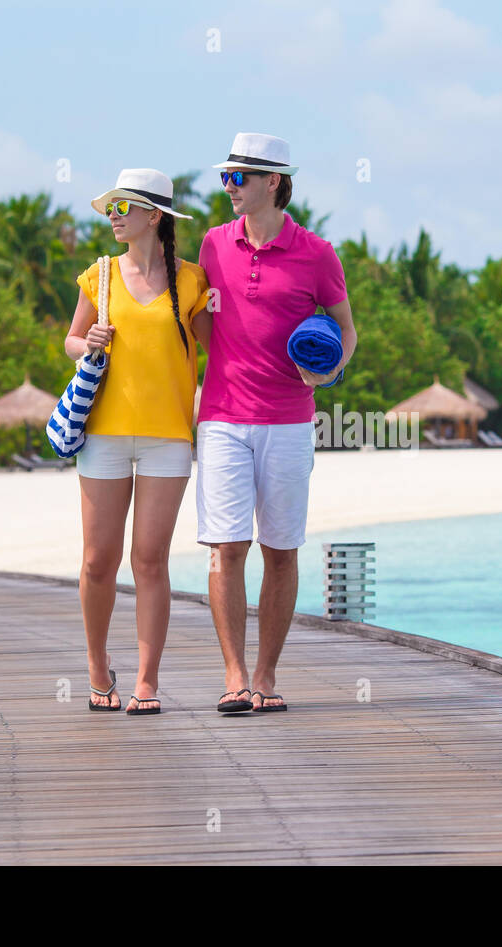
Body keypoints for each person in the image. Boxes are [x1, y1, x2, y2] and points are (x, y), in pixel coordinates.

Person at [192, 133, 357, 714]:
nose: (229, 187)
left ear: (274, 183)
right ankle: (234, 675)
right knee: (226, 548)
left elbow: (346, 327)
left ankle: (265, 676)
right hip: (221, 419)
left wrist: (328, 371)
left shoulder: (317, 253)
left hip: (288, 421)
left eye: (239, 177)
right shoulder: (212, 245)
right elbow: (199, 323)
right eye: (226, 177)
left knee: (281, 550)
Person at [63, 168, 210, 715]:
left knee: (150, 561)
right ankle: (99, 669)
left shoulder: (193, 281)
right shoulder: (97, 276)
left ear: (155, 216)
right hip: (101, 434)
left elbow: (221, 352)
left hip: (168, 438)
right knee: (98, 561)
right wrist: (87, 343)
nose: (115, 218)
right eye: (111, 209)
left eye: (125, 208)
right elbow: (71, 341)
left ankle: (148, 681)